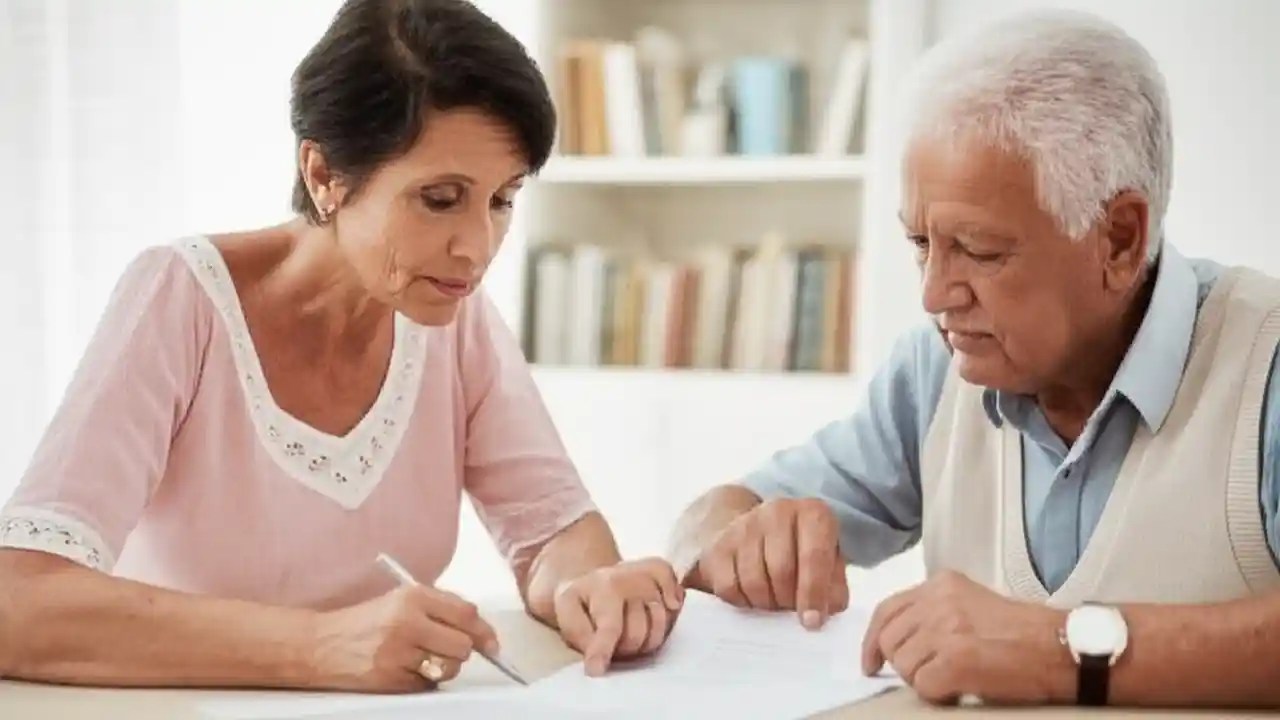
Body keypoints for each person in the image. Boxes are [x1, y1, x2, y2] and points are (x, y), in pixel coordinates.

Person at [0, 0, 682, 693]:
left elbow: (552, 537)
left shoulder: (452, 313)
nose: (476, 248)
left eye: (501, 200)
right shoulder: (183, 301)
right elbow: (16, 603)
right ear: (324, 176)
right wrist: (318, 647)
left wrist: (597, 587)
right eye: (440, 199)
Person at [669, 10, 1280, 710]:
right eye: (921, 245)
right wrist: (733, 544)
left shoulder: (1265, 365)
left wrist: (1061, 651)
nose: (934, 295)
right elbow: (708, 518)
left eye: (980, 251)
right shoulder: (936, 372)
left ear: (1119, 239)